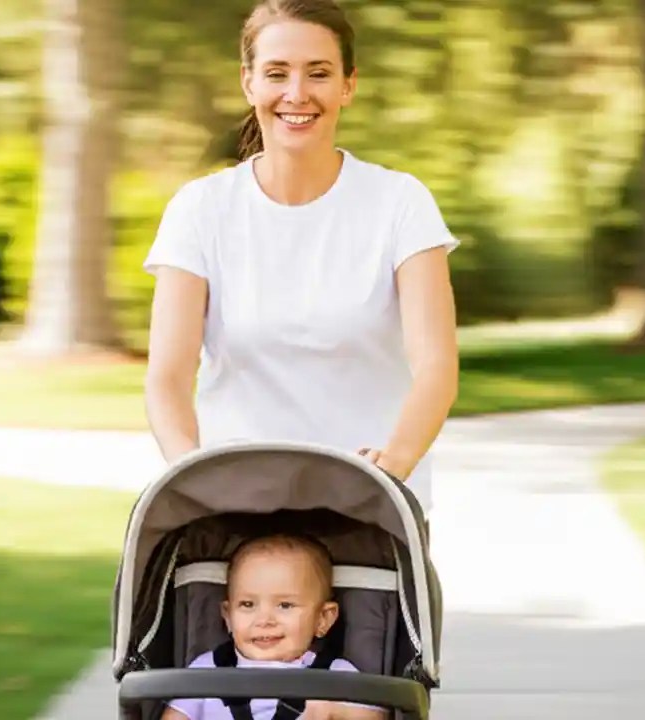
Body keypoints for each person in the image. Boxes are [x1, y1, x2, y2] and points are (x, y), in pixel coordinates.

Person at [143, 0, 459, 511]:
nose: (297, 94)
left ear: (348, 85)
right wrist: (193, 476)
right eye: (276, 73)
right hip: (235, 509)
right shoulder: (199, 209)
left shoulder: (401, 203)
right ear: (249, 84)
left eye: (318, 73)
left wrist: (388, 472)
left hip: (370, 510)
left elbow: (436, 367)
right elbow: (167, 375)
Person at [161, 534, 385, 720]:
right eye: (248, 605)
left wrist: (332, 709)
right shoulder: (207, 670)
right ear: (228, 617)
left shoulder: (335, 676)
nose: (264, 620)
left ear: (322, 619)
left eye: (285, 605)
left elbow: (375, 717)